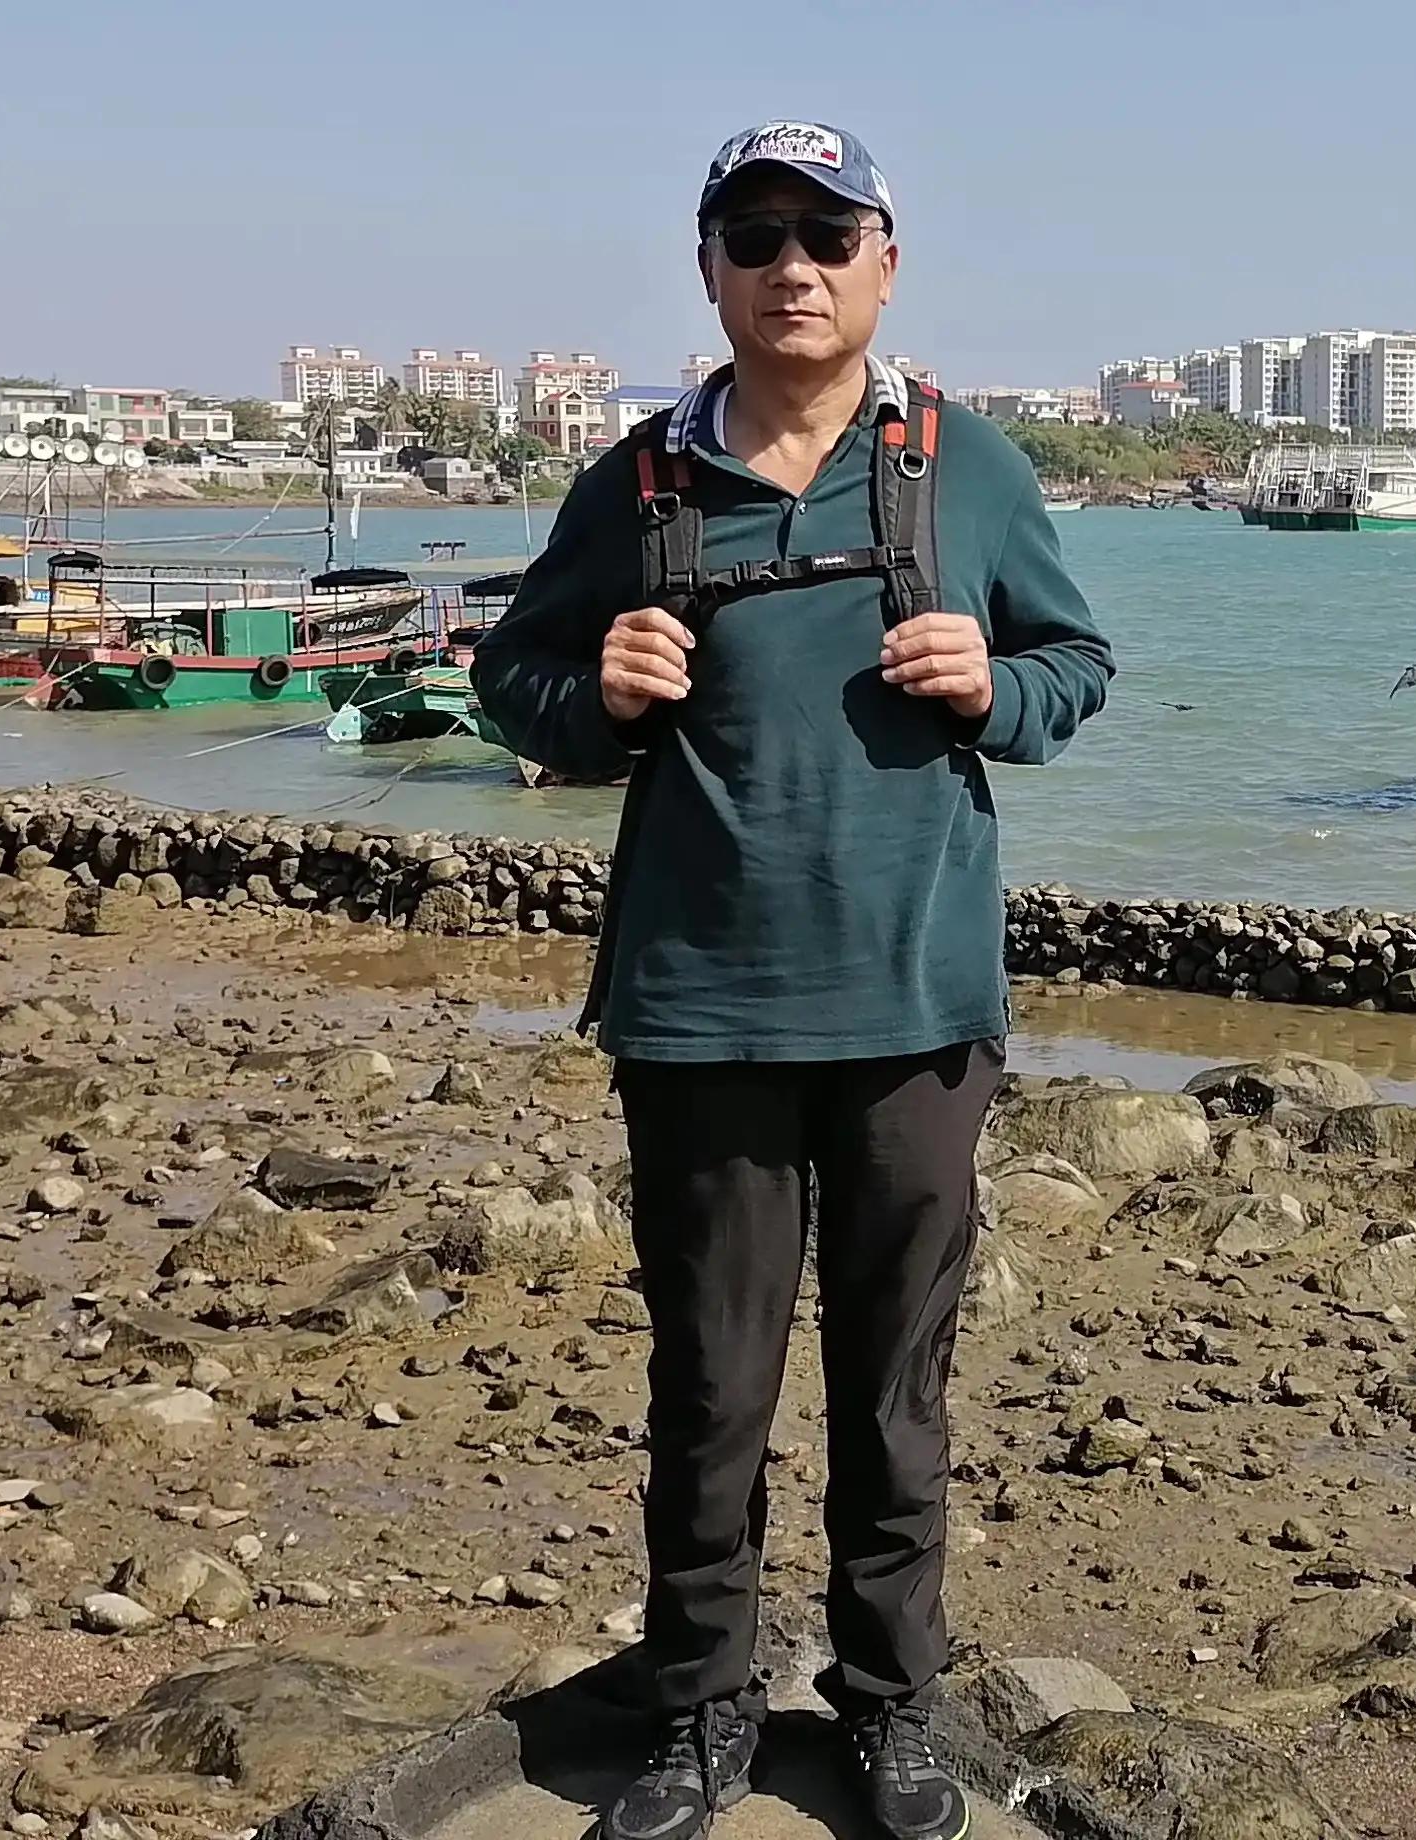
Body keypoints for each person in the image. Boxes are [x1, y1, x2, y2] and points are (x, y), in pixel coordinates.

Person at [470, 119, 1112, 1840]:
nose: (793, 269)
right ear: (709, 271)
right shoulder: (638, 483)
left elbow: (1075, 664)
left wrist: (996, 685)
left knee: (897, 1392)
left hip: (917, 1010)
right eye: (754, 237)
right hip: (700, 1009)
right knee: (712, 1391)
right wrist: (598, 694)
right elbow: (514, 679)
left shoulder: (965, 467)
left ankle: (894, 1705)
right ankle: (701, 1712)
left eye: (828, 236)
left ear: (886, 262)